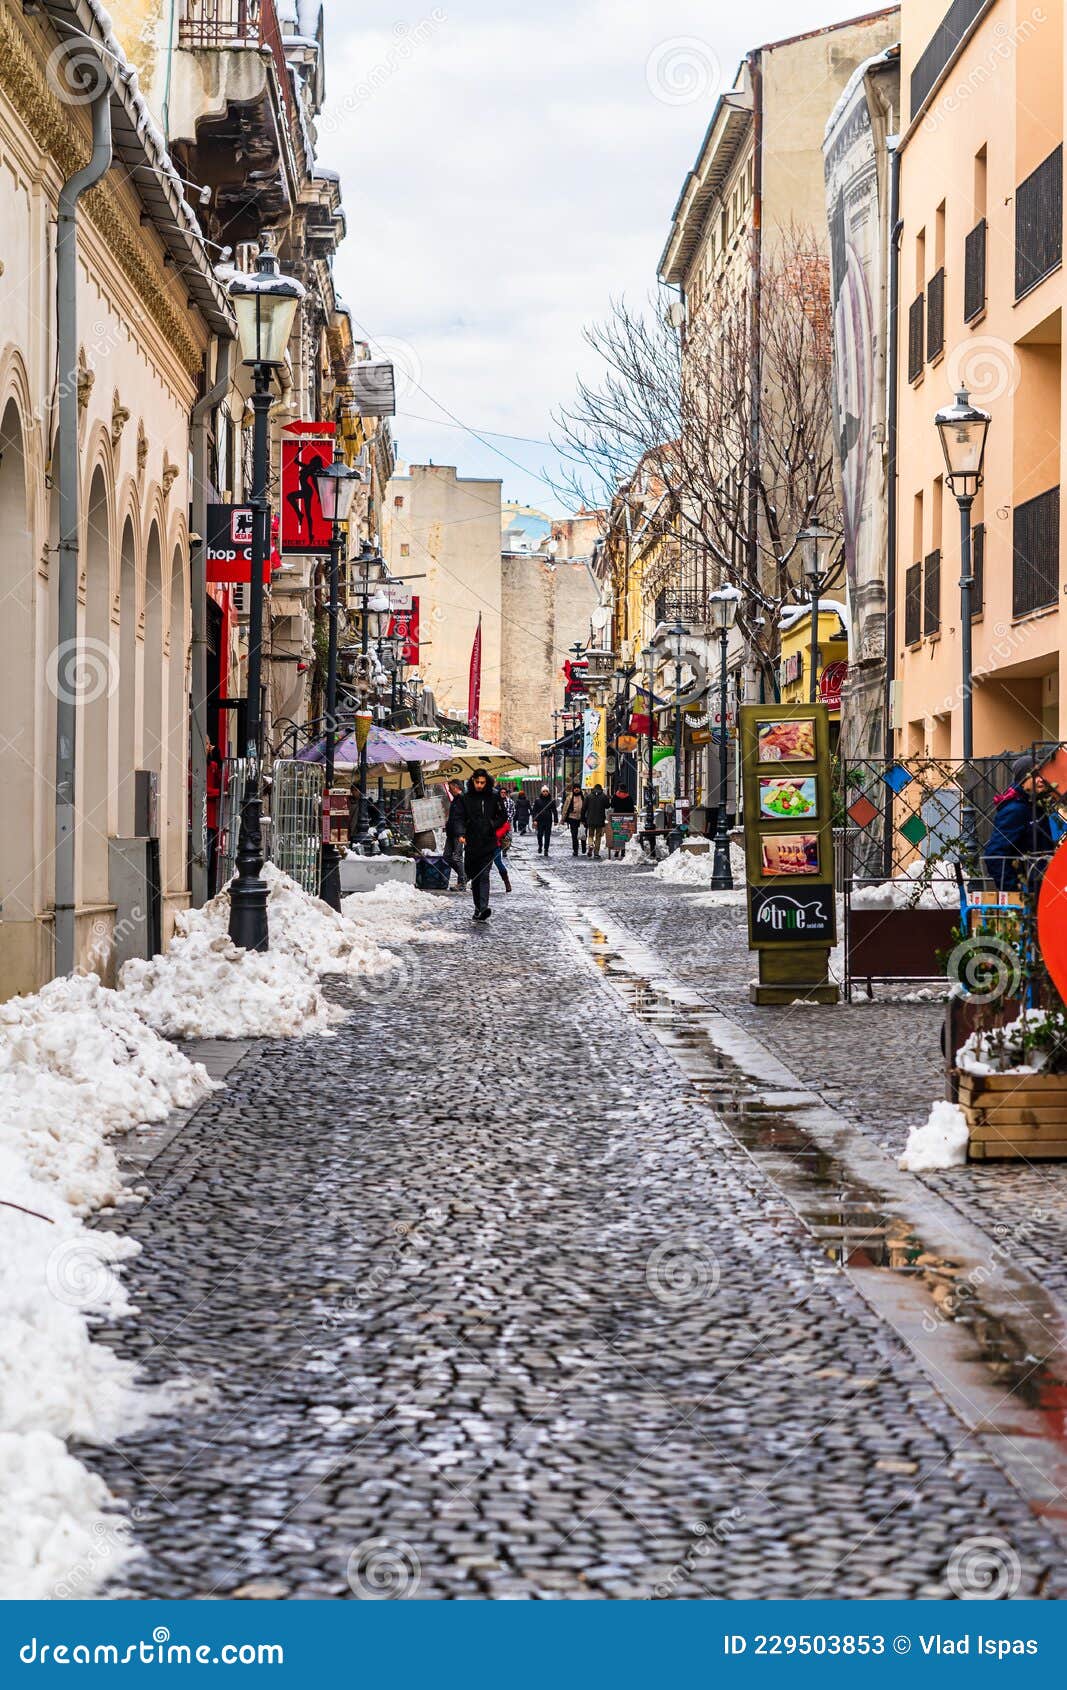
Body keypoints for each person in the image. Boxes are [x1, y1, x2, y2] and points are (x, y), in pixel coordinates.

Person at [984, 754, 1059, 891]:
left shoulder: (1037, 807)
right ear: (1022, 780)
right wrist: (1014, 891)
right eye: (1035, 775)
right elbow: (994, 854)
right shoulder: (1015, 810)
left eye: (1042, 774)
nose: (1041, 779)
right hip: (1028, 892)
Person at [451, 768, 509, 921]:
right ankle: (478, 908)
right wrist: (461, 833)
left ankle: (483, 907)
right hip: (471, 843)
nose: (479, 785)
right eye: (477, 782)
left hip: (488, 843)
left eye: (482, 783)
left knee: (484, 875)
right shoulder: (465, 797)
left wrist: (492, 824)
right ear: (472, 781)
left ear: (486, 782)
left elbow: (503, 816)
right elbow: (458, 818)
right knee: (475, 876)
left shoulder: (494, 796)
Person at [440, 779, 467, 891]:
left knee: (457, 858)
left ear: (456, 787)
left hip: (459, 834)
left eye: (450, 788)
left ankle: (462, 882)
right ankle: (464, 876)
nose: (449, 791)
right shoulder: (455, 799)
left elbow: (468, 818)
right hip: (451, 832)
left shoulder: (464, 799)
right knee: (446, 856)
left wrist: (464, 834)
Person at [584, 783, 609, 859]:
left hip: (590, 819)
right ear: (601, 789)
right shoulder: (604, 796)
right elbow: (607, 806)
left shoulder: (588, 796)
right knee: (598, 837)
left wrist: (583, 818)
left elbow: (584, 808)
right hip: (600, 819)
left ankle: (591, 844)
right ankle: (596, 853)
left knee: (590, 835)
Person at [532, 785, 558, 856]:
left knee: (547, 836)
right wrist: (534, 820)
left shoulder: (551, 801)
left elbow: (554, 811)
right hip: (540, 821)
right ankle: (540, 846)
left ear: (548, 792)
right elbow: (534, 811)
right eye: (544, 791)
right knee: (539, 834)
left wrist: (556, 820)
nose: (545, 793)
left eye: (546, 791)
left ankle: (546, 849)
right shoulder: (537, 800)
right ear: (541, 792)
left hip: (548, 820)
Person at [561, 784, 586, 855]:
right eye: (575, 788)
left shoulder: (584, 797)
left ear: (580, 789)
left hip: (582, 818)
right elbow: (565, 808)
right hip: (572, 818)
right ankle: (575, 850)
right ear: (573, 789)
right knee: (574, 835)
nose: (576, 789)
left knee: (583, 833)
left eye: (578, 788)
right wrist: (563, 818)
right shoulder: (569, 797)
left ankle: (584, 847)